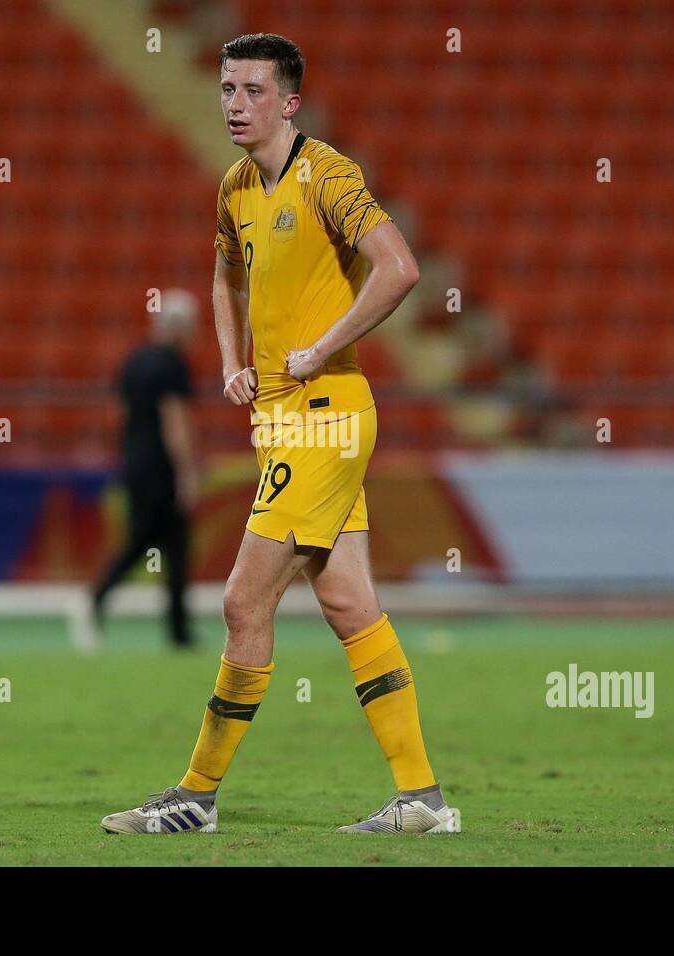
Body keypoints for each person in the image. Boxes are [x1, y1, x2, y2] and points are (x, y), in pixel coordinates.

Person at [102, 33, 454, 835]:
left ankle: (194, 796)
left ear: (289, 102)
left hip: (327, 419)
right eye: (227, 88)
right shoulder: (234, 186)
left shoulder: (326, 173)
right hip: (285, 418)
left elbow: (400, 267)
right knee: (347, 602)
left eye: (253, 91)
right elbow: (225, 272)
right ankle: (422, 800)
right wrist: (232, 359)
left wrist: (323, 347)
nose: (234, 104)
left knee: (239, 599)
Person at [90, 288, 199, 649]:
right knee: (173, 548)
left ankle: (102, 597)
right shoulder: (173, 365)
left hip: (136, 464)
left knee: (144, 541)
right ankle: (176, 630)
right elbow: (175, 422)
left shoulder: (134, 361)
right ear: (180, 327)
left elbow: (120, 415)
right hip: (162, 469)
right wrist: (187, 473)